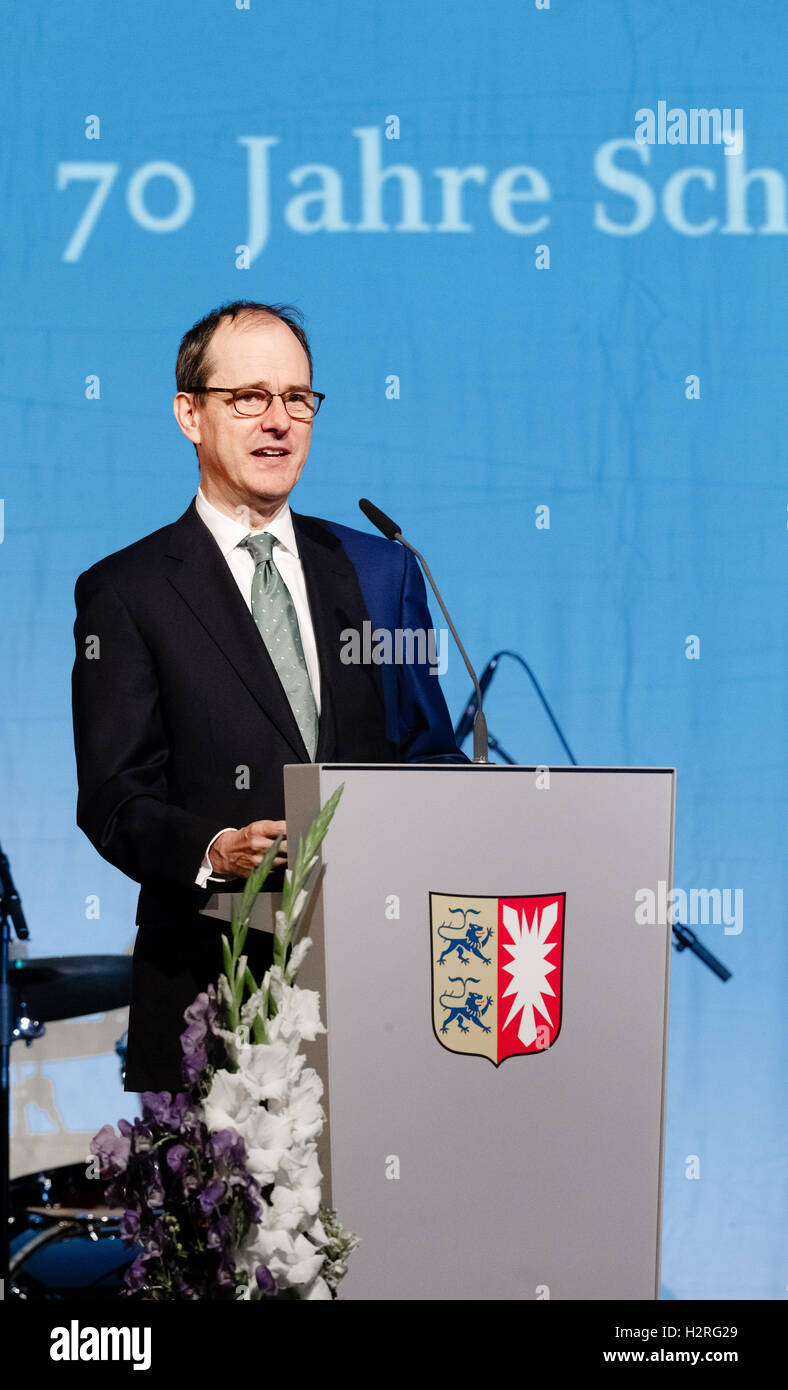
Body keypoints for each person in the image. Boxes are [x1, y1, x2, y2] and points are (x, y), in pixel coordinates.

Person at [71, 300, 466, 1092]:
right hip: (212, 997)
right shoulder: (127, 592)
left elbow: (431, 758)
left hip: (379, 991)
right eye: (249, 397)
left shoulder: (383, 571)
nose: (278, 421)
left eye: (297, 399)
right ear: (190, 414)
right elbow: (116, 800)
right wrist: (216, 849)